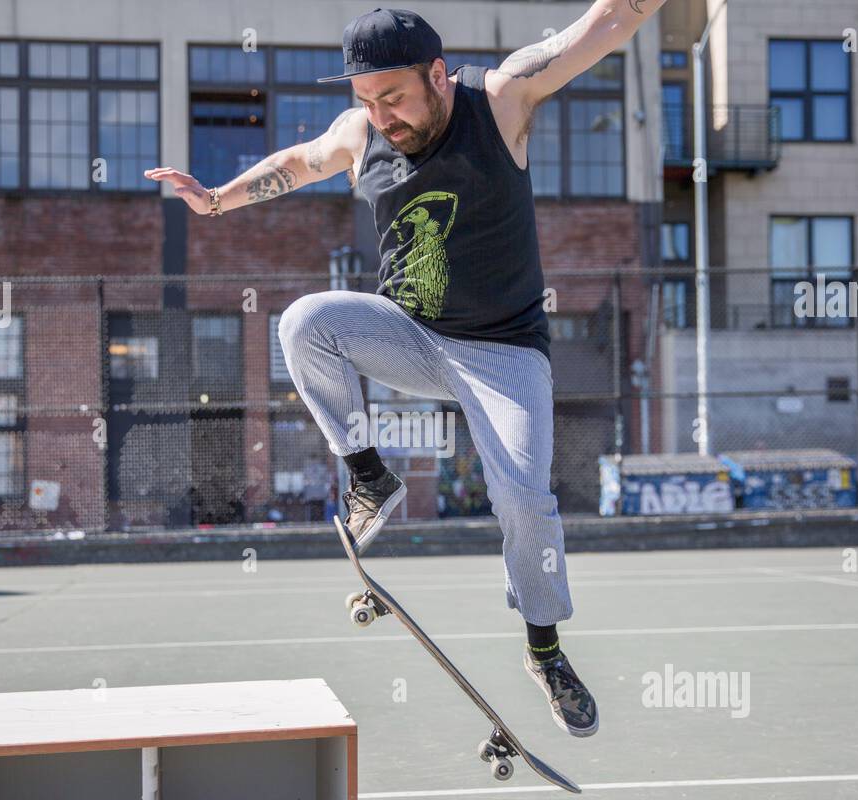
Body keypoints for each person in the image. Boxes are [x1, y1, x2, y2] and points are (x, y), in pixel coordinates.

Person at [146, 2, 666, 737]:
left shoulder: (503, 99)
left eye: (395, 98)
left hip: (504, 354)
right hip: (412, 337)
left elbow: (600, 30)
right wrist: (218, 200)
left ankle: (544, 649)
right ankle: (369, 476)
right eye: (367, 101)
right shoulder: (361, 131)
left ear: (438, 74)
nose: (382, 117)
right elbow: (300, 163)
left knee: (523, 497)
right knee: (304, 323)